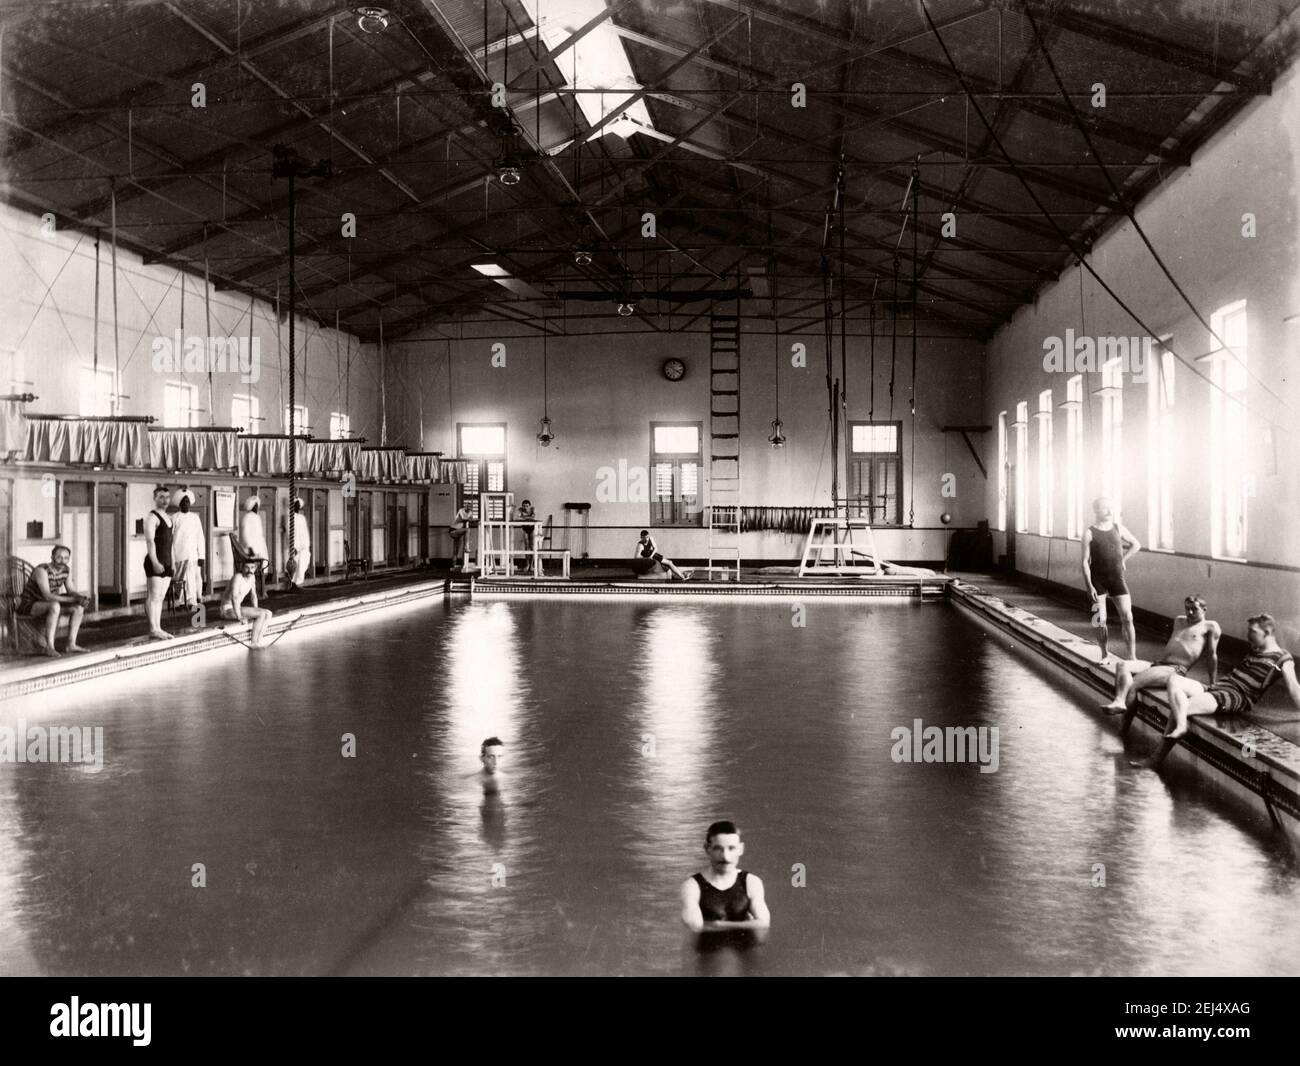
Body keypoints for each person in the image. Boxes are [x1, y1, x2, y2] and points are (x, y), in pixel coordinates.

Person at [1135, 613, 1300, 768]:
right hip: (1218, 689)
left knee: (1183, 706)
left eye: (1252, 631)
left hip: (1234, 696)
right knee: (1174, 679)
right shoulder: (1255, 650)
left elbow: (1294, 687)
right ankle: (1180, 724)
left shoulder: (1283, 659)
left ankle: (1157, 758)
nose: (1248, 635)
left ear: (1267, 632)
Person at [1101, 595, 1220, 720]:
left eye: (1194, 609)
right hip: (1159, 664)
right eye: (1187, 608)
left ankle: (1122, 727)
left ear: (1204, 610)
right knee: (1122, 665)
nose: (1189, 612)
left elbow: (1212, 656)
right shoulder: (1179, 620)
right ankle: (1119, 701)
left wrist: (1213, 683)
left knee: (1132, 685)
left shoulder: (1210, 626)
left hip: (1175, 669)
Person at [680, 821, 771, 934]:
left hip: (743, 949)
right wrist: (748, 924)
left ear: (740, 849)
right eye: (718, 849)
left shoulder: (751, 881)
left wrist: (717, 924)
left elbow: (764, 924)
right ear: (707, 849)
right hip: (708, 950)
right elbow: (695, 927)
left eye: (731, 848)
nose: (725, 857)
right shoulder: (691, 886)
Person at [1081, 496, 1140, 662]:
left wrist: (1123, 560)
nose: (1108, 512)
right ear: (1096, 510)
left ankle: (1132, 656)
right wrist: (1089, 586)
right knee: (1100, 620)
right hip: (1097, 580)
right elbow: (1084, 561)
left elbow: (1136, 545)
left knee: (1128, 617)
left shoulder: (1118, 528)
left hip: (1116, 579)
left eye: (1109, 508)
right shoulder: (1089, 533)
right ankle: (1104, 653)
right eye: (1103, 508)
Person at [16, 544, 88, 656]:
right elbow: (47, 596)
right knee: (54, 606)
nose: (62, 561)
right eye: (59, 557)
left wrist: (80, 598)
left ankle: (71, 644)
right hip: (29, 604)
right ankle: (49, 647)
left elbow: (71, 590)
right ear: (52, 557)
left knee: (78, 607)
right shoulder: (42, 570)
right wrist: (72, 599)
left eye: (66, 558)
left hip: (48, 603)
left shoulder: (66, 570)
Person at [143, 484, 174, 640]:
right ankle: (152, 628)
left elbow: (170, 544)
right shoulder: (152, 517)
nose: (165, 500)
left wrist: (173, 563)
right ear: (155, 499)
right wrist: (155, 562)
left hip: (167, 561)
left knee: (160, 597)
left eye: (167, 497)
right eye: (161, 497)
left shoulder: (169, 519)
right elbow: (150, 542)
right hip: (154, 560)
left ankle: (158, 627)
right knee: (153, 596)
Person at [220, 558, 273, 649]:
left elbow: (253, 596)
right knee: (261, 614)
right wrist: (239, 616)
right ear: (242, 568)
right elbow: (234, 597)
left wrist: (256, 610)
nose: (249, 570)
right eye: (247, 567)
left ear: (255, 568)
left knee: (268, 613)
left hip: (236, 608)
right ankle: (253, 643)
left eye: (252, 567)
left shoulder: (252, 578)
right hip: (227, 610)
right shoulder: (237, 577)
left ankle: (259, 640)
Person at [170, 490, 206, 614]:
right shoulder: (174, 518)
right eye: (184, 502)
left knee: (195, 578)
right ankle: (180, 602)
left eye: (188, 501)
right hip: (180, 554)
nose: (186, 504)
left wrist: (202, 555)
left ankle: (194, 601)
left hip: (194, 555)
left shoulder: (195, 518)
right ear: (180, 504)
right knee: (181, 579)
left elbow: (200, 537)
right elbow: (171, 537)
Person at [238, 495, 270, 599]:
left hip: (259, 547)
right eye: (255, 506)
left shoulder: (257, 517)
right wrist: (250, 548)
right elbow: (245, 534)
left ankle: (261, 591)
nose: (257, 507)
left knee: (263, 567)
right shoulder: (247, 517)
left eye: (257, 506)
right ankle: (256, 592)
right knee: (255, 570)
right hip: (251, 550)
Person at [282, 496, 310, 591]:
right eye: (295, 505)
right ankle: (292, 583)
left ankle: (297, 583)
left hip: (303, 546)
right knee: (294, 565)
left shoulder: (301, 517)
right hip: (294, 546)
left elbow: (305, 532)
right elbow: (289, 532)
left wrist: (306, 544)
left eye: (298, 505)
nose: (297, 507)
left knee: (303, 564)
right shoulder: (289, 517)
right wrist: (293, 546)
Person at [449, 502, 473, 568]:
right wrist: (470, 519)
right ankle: (466, 548)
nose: (468, 508)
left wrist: (471, 518)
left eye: (469, 507)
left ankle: (453, 564)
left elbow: (470, 519)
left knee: (456, 548)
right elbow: (463, 519)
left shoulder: (470, 512)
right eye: (467, 506)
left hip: (458, 532)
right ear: (465, 507)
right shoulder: (461, 511)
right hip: (453, 531)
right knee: (467, 530)